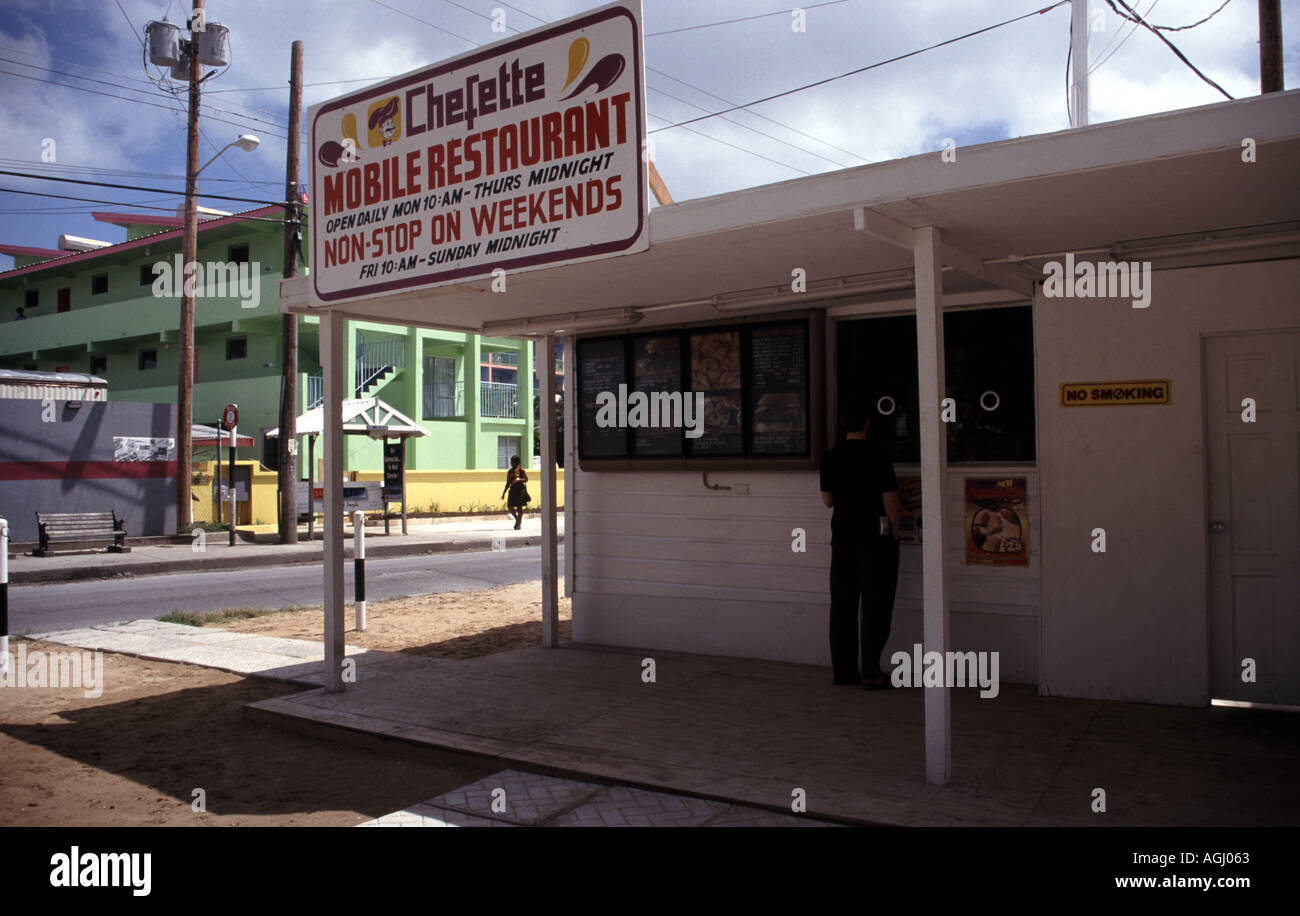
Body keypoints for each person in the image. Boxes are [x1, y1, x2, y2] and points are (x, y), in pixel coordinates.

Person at [819, 402, 902, 690]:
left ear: (843, 424)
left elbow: (827, 500)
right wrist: (896, 533)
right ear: (867, 423)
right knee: (875, 605)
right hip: (875, 540)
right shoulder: (879, 455)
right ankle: (871, 672)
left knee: (842, 606)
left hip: (842, 539)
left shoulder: (830, 457)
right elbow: (890, 500)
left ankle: (843, 672)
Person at [502, 455, 530, 530]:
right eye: (511, 461)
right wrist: (503, 493)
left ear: (517, 462)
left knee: (519, 507)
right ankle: (518, 520)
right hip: (512, 490)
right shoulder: (510, 471)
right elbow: (508, 483)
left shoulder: (521, 470)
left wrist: (518, 480)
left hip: (520, 490)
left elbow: (526, 479)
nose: (511, 463)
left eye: (513, 461)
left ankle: (518, 524)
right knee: (510, 507)